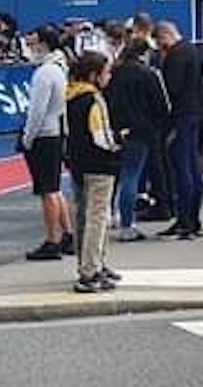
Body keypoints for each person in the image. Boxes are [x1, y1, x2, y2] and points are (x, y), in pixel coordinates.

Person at [66, 51, 122, 293]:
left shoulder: (69, 96)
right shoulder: (94, 99)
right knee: (98, 218)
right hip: (100, 164)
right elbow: (101, 136)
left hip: (77, 163)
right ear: (94, 75)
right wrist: (118, 142)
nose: (109, 77)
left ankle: (88, 263)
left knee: (83, 216)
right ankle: (90, 271)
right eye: (106, 73)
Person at [20, 26, 75, 261]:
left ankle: (52, 240)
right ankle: (67, 234)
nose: (30, 49)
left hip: (44, 135)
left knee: (47, 190)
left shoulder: (45, 73)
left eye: (32, 44)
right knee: (54, 188)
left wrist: (27, 137)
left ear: (42, 44)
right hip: (56, 131)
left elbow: (37, 110)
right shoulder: (61, 67)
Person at [106, 39, 169, 242]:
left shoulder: (114, 74)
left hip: (115, 130)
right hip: (140, 131)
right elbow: (161, 106)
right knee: (131, 176)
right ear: (144, 53)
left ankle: (109, 214)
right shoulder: (148, 74)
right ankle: (127, 224)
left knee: (114, 176)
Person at [155, 22, 203, 240]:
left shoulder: (176, 55)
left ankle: (185, 221)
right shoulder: (193, 50)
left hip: (180, 117)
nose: (160, 48)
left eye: (160, 42)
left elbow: (171, 89)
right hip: (195, 113)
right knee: (193, 168)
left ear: (166, 35)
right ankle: (192, 221)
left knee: (182, 168)